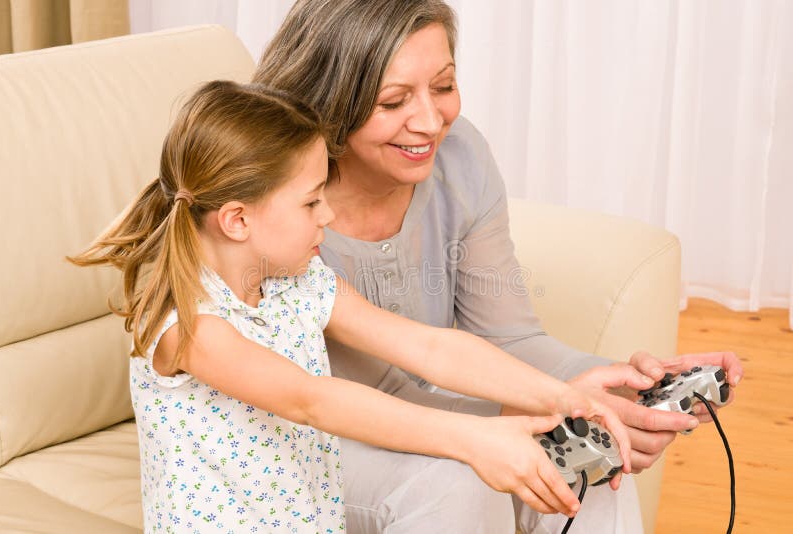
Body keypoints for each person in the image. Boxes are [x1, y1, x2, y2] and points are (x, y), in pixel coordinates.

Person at [253, 1, 745, 532]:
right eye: (393, 100)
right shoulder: (271, 215)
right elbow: (309, 401)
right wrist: (494, 429)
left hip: (422, 410)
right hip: (306, 440)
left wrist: (601, 390)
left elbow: (485, 342)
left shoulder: (459, 154)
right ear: (330, 101)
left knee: (582, 449)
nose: (429, 121)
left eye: (443, 87)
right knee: (459, 481)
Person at [69, 81, 632, 533]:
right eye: (312, 201)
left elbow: (427, 346)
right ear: (238, 219)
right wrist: (473, 439)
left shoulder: (299, 281)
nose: (328, 217)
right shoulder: (187, 326)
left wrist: (561, 392)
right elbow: (311, 400)